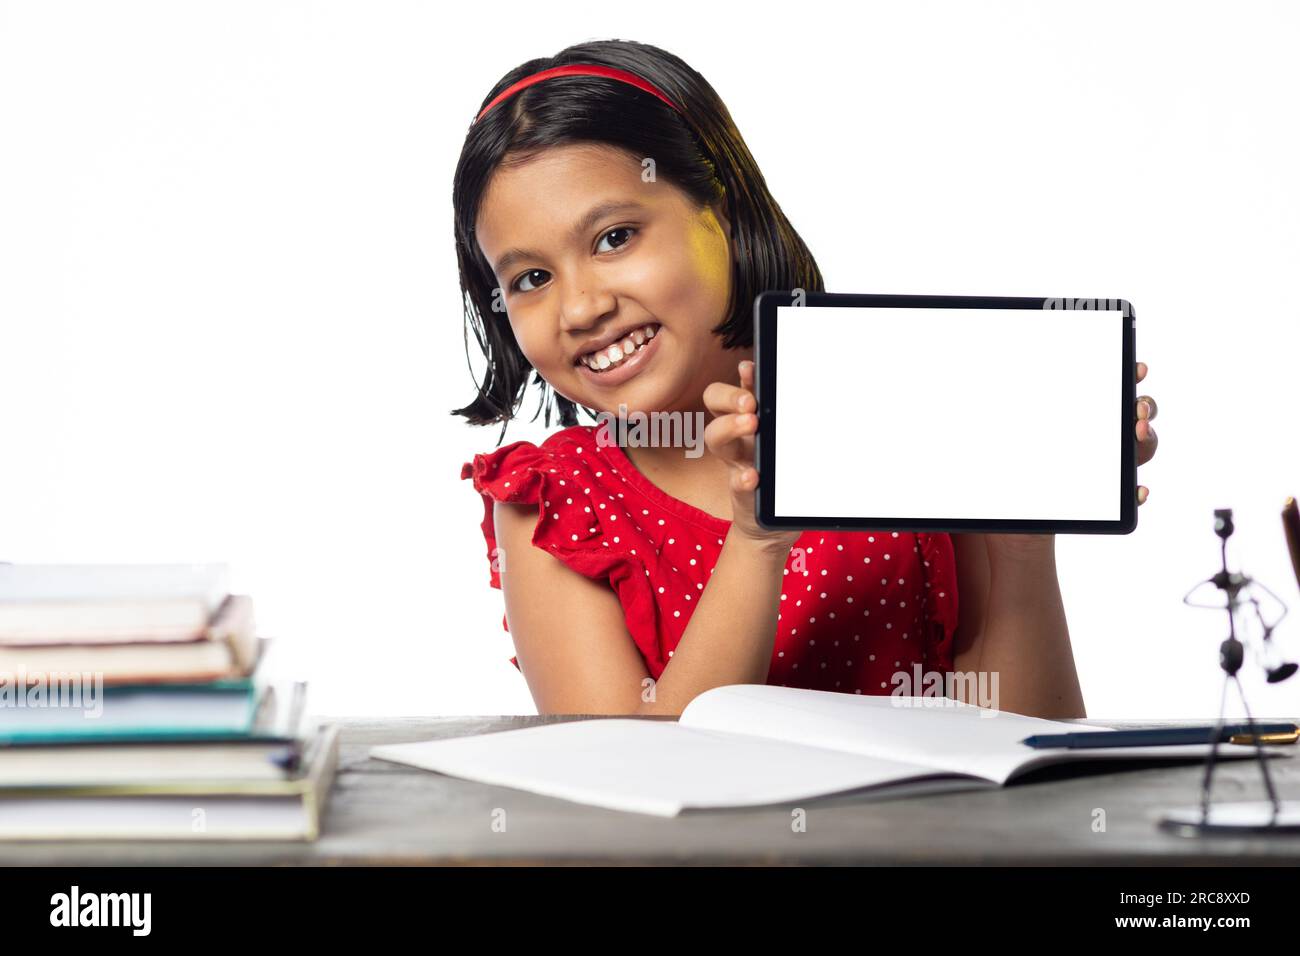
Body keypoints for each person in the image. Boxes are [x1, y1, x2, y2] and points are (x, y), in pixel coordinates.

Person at [452, 39, 1160, 718]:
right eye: (531, 278)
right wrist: (756, 537)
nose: (581, 307)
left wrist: (1022, 532)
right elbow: (632, 775)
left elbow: (1032, 745)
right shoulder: (553, 506)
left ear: (721, 212)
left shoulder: (911, 422)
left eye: (615, 237)